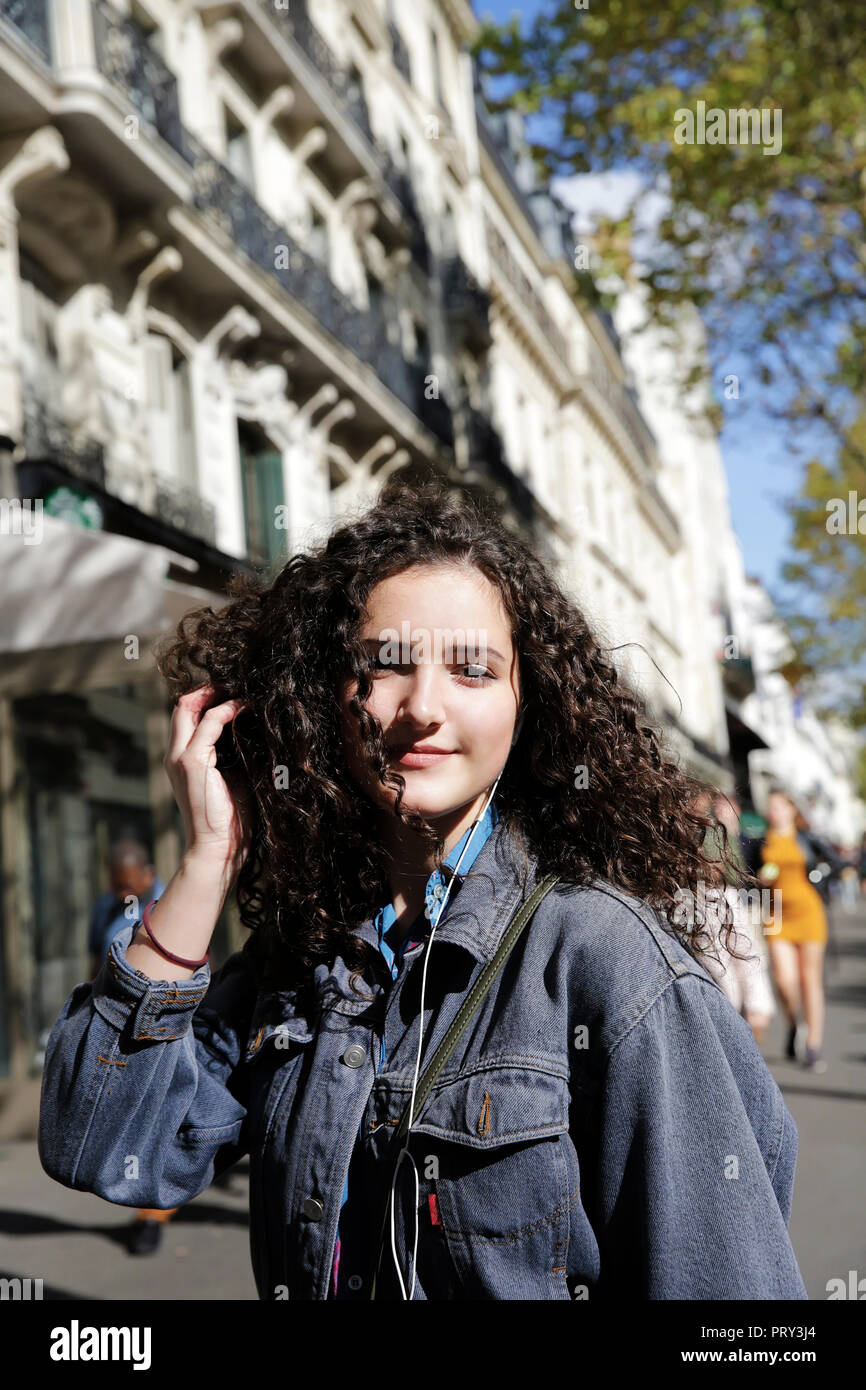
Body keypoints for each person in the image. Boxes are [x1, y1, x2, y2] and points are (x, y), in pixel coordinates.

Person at [38, 478, 807, 1300]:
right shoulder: (309, 955)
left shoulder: (609, 963)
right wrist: (207, 862)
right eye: (385, 665)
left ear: (528, 703)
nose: (424, 708)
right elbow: (100, 1144)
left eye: (473, 670)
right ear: (324, 697)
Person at [88, 839, 177, 1255]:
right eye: (116, 885)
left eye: (129, 885)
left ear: (147, 874)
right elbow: (95, 956)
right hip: (113, 1024)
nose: (124, 893)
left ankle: (150, 1217)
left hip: (160, 1029)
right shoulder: (107, 906)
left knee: (154, 1120)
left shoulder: (172, 905)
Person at [693, 793, 776, 1044]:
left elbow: (738, 870)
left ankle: (754, 1011)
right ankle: (735, 1016)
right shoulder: (698, 830)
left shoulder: (726, 832)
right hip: (701, 897)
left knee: (744, 953)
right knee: (718, 959)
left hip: (729, 896)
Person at [758, 788, 830, 1074]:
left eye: (779, 806)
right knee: (785, 981)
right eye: (771, 806)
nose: (773, 811)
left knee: (809, 978)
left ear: (791, 809)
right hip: (776, 914)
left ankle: (813, 1043)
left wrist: (822, 875)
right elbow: (752, 870)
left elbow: (830, 863)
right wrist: (760, 877)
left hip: (808, 913)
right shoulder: (762, 839)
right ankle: (794, 1024)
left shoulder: (806, 837)